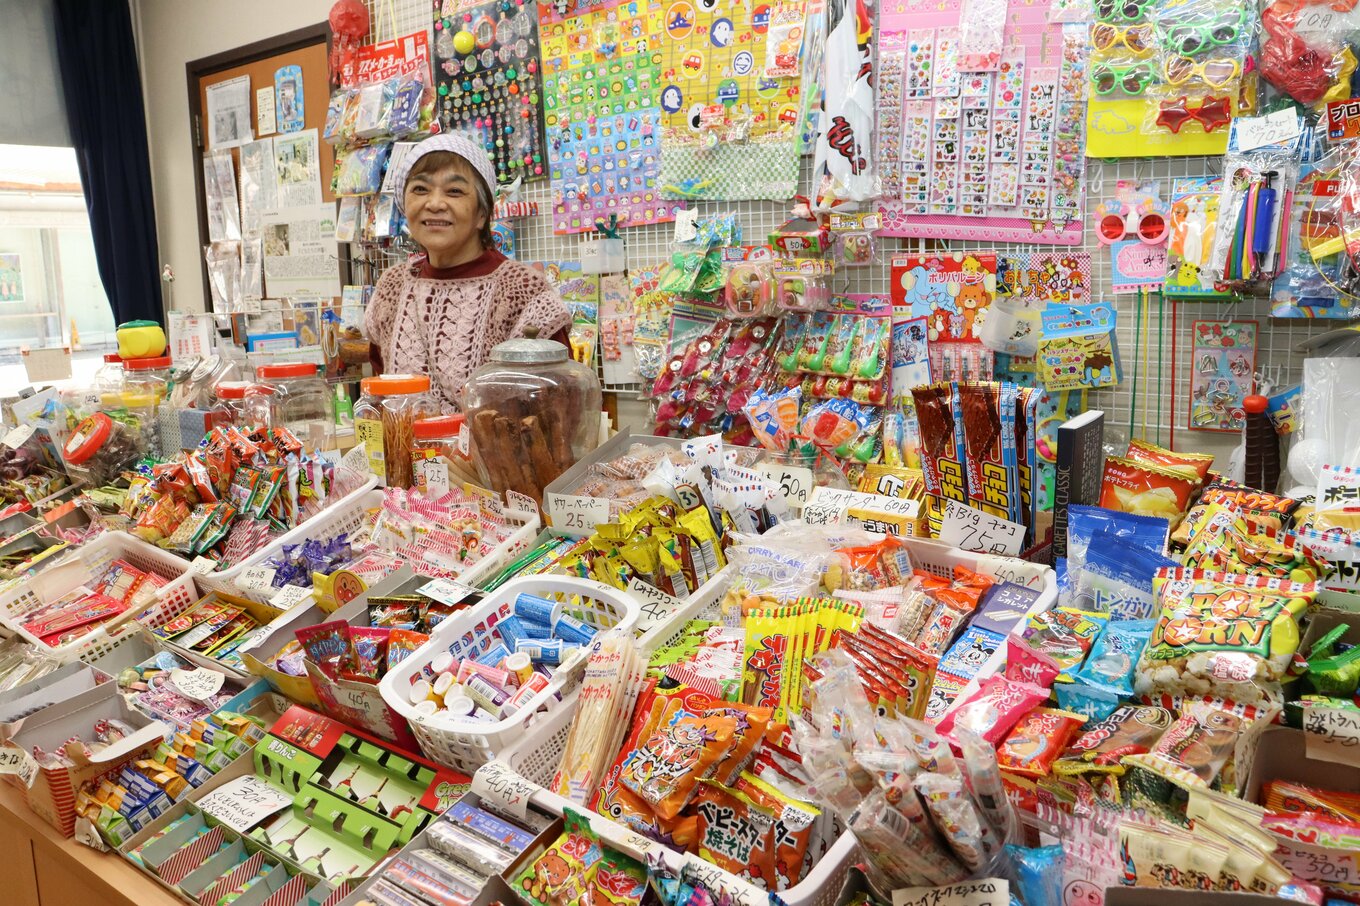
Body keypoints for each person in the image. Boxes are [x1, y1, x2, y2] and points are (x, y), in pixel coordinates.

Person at [366, 133, 571, 409]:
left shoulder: (522, 290)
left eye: (454, 191)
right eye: (420, 189)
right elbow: (380, 390)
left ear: (482, 214)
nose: (435, 203)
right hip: (404, 452)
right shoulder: (392, 287)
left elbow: (561, 399)